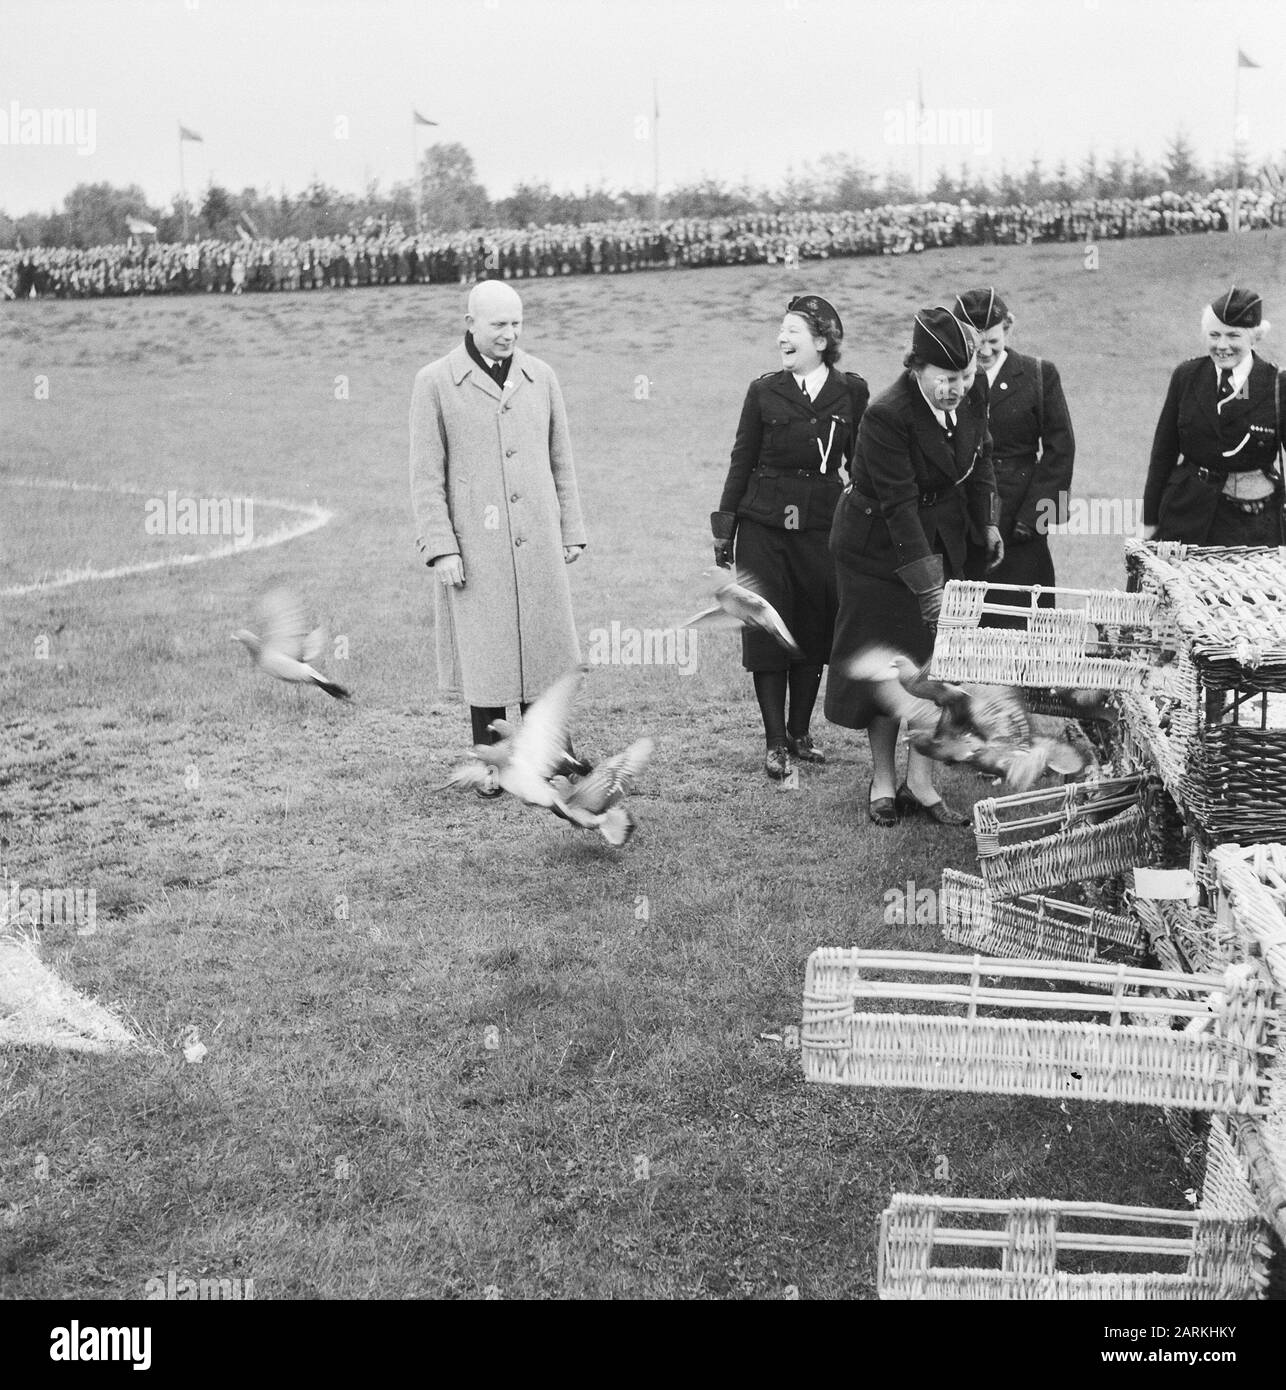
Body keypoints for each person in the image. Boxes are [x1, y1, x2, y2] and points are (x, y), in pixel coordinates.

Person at [825, 307, 1002, 826]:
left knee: (940, 668)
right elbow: (900, 509)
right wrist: (930, 593)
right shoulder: (888, 415)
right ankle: (883, 781)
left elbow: (982, 459)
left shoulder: (974, 393)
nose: (957, 389)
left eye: (965, 377)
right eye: (946, 379)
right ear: (917, 368)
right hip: (877, 550)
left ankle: (921, 784)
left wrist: (987, 523)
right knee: (889, 665)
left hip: (942, 537)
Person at [410, 281, 588, 794]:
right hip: (475, 545)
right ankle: (491, 763)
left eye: (517, 324)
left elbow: (562, 460)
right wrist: (441, 547)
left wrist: (571, 528)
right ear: (470, 323)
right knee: (486, 655)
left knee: (544, 645)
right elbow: (425, 475)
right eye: (498, 325)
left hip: (538, 538)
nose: (510, 334)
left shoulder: (542, 376)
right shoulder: (435, 382)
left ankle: (547, 752)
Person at [712, 295, 869, 779]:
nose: (783, 338)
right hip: (764, 526)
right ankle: (775, 742)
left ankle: (801, 734)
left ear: (822, 342)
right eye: (781, 329)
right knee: (766, 629)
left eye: (794, 331)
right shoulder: (764, 392)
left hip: (823, 527)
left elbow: (860, 465)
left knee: (813, 627)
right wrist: (726, 529)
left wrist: (866, 525)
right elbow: (742, 460)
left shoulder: (851, 392)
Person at [952, 287, 1075, 613]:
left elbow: (1060, 449)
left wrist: (1036, 516)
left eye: (994, 341)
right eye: (977, 345)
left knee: (1022, 618)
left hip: (1021, 518)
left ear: (1007, 328)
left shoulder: (1038, 374)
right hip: (965, 517)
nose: (987, 351)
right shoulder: (951, 380)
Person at [1143, 287, 1286, 546]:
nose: (1222, 345)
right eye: (1214, 335)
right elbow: (1162, 454)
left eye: (1233, 335)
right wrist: (1149, 521)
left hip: (1254, 523)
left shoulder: (1277, 384)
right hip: (1185, 516)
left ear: (1254, 337)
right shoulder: (1186, 376)